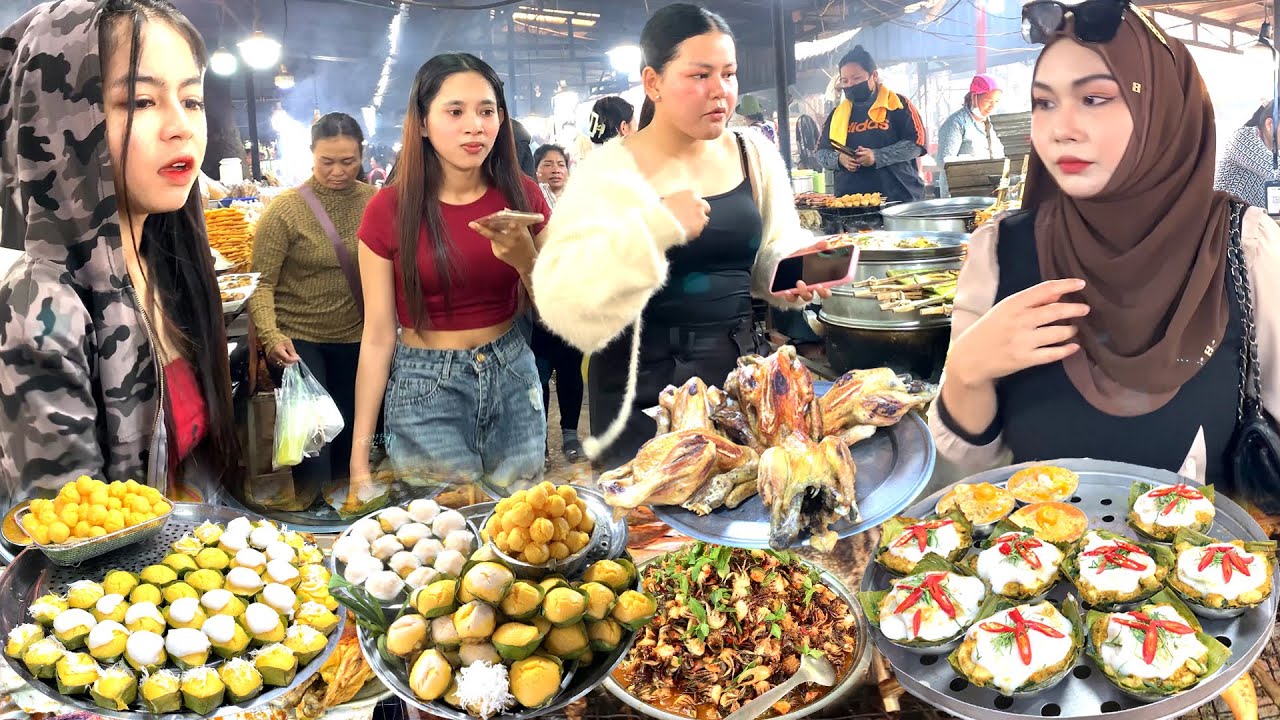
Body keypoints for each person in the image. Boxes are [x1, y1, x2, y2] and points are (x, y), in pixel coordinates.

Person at [928, 4, 1280, 485]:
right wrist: (969, 369)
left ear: (1162, 108)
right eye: (1043, 102)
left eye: (1094, 98)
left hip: (1215, 557)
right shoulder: (1000, 251)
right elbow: (973, 468)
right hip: (1033, 553)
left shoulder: (1243, 246)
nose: (1060, 128)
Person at [532, 3, 825, 470]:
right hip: (638, 388)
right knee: (653, 531)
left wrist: (786, 275)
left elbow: (769, 250)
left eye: (728, 74)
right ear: (653, 83)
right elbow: (561, 300)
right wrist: (654, 230)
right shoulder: (607, 172)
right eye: (699, 75)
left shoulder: (755, 155)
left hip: (735, 379)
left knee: (738, 517)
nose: (720, 92)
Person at [0, 0, 239, 506]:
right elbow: (68, 550)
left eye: (192, 100)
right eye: (140, 102)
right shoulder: (40, 306)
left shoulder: (170, 268)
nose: (182, 127)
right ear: (61, 124)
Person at [349, 53, 552, 506]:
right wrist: (359, 459)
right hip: (425, 389)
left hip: (513, 375)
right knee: (447, 539)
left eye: (487, 110)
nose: (475, 126)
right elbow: (379, 336)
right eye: (455, 111)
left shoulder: (525, 196)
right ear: (422, 123)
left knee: (525, 532)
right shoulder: (387, 211)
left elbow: (561, 313)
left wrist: (527, 262)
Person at [248, 112, 377, 505]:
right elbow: (261, 282)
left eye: (347, 161)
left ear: (362, 156)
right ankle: (312, 519)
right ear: (311, 155)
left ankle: (345, 524)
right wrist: (272, 336)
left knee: (352, 443)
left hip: (360, 340)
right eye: (327, 161)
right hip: (301, 347)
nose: (337, 171)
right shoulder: (285, 210)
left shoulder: (375, 203)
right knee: (312, 451)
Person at [530, 144, 585, 462]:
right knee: (537, 373)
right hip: (537, 306)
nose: (554, 169)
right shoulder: (529, 204)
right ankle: (539, 444)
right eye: (547, 164)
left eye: (560, 163)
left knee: (569, 370)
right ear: (537, 170)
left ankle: (569, 435)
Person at [816, 46, 927, 202]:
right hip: (851, 203)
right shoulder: (837, 114)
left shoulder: (898, 104)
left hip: (899, 198)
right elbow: (821, 153)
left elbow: (916, 144)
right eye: (845, 81)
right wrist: (839, 159)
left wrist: (877, 156)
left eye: (857, 78)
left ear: (874, 76)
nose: (850, 85)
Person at [936, 74, 1006, 196]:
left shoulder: (989, 123)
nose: (993, 106)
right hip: (958, 196)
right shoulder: (955, 123)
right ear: (974, 97)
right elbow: (944, 162)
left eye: (997, 101)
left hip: (985, 192)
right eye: (988, 101)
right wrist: (973, 165)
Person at [1215, 101, 1280, 210]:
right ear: (1270, 124)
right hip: (1227, 220)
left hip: (1249, 222)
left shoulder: (1274, 153)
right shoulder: (1244, 138)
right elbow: (1275, 171)